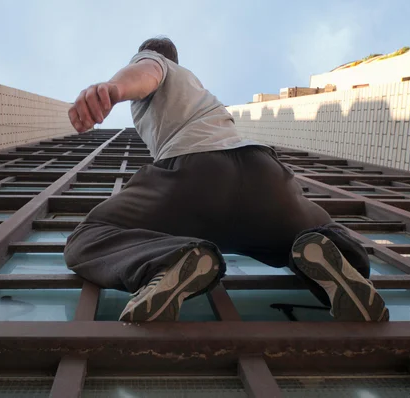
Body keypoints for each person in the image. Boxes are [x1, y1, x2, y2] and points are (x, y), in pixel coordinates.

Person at [64, 37, 389, 323]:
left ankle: (170, 261)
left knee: (87, 236)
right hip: (266, 178)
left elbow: (147, 71)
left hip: (197, 176)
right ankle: (340, 260)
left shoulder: (155, 63)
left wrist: (114, 89)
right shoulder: (200, 92)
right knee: (321, 229)